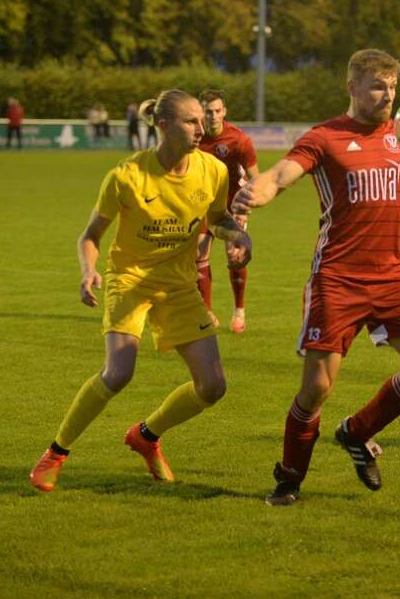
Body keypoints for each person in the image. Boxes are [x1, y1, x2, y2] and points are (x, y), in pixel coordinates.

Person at [232, 49, 400, 505]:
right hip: (337, 277)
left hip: (393, 276)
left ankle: (356, 433)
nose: (387, 96)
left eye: (392, 87)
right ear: (352, 87)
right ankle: (289, 477)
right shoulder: (325, 137)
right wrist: (255, 192)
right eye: (378, 86)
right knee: (316, 387)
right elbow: (280, 174)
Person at [29, 89, 252, 492]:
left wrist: (238, 236)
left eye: (202, 120)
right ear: (163, 126)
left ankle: (146, 436)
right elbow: (90, 235)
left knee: (213, 387)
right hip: (130, 279)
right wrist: (87, 270)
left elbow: (217, 220)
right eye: (191, 122)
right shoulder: (127, 176)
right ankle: (56, 452)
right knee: (118, 373)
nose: (202, 129)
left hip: (180, 285)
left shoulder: (212, 171)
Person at [196, 89, 260, 333]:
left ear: (224, 112)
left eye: (216, 111)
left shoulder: (239, 140)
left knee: (235, 257)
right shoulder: (195, 135)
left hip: (233, 204)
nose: (212, 116)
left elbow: (255, 179)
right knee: (199, 254)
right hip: (203, 202)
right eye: (207, 111)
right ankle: (206, 312)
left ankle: (239, 311)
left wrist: (244, 209)